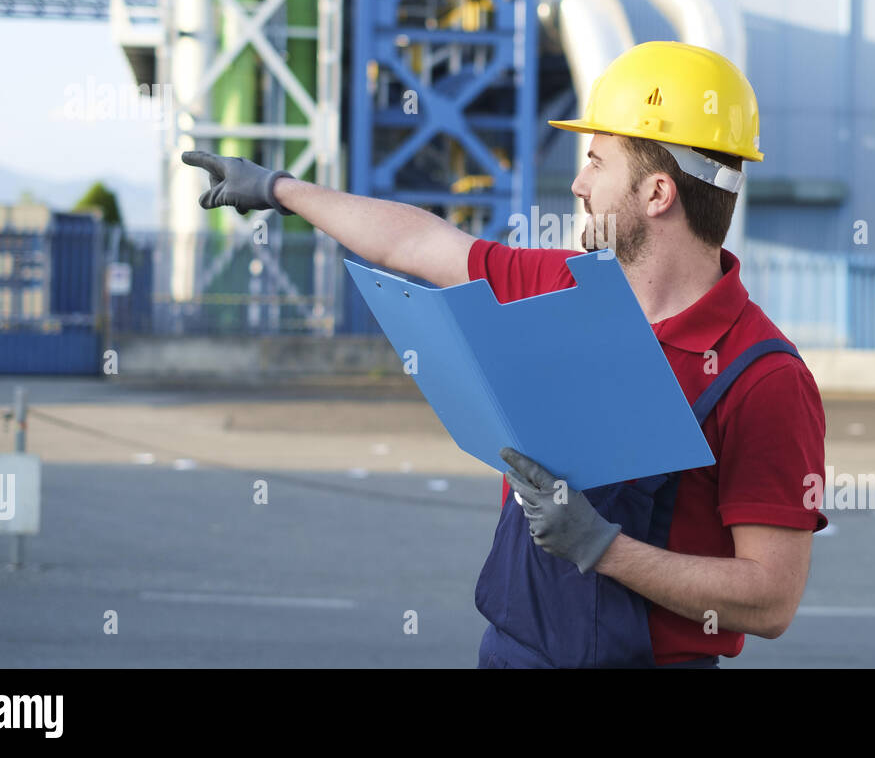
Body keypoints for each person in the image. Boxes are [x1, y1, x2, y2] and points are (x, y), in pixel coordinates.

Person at [182, 40, 828, 669]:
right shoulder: (559, 286)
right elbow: (415, 244)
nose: (578, 183)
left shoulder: (761, 376)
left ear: (658, 194)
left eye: (599, 162)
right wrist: (281, 190)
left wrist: (603, 548)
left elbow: (771, 599)